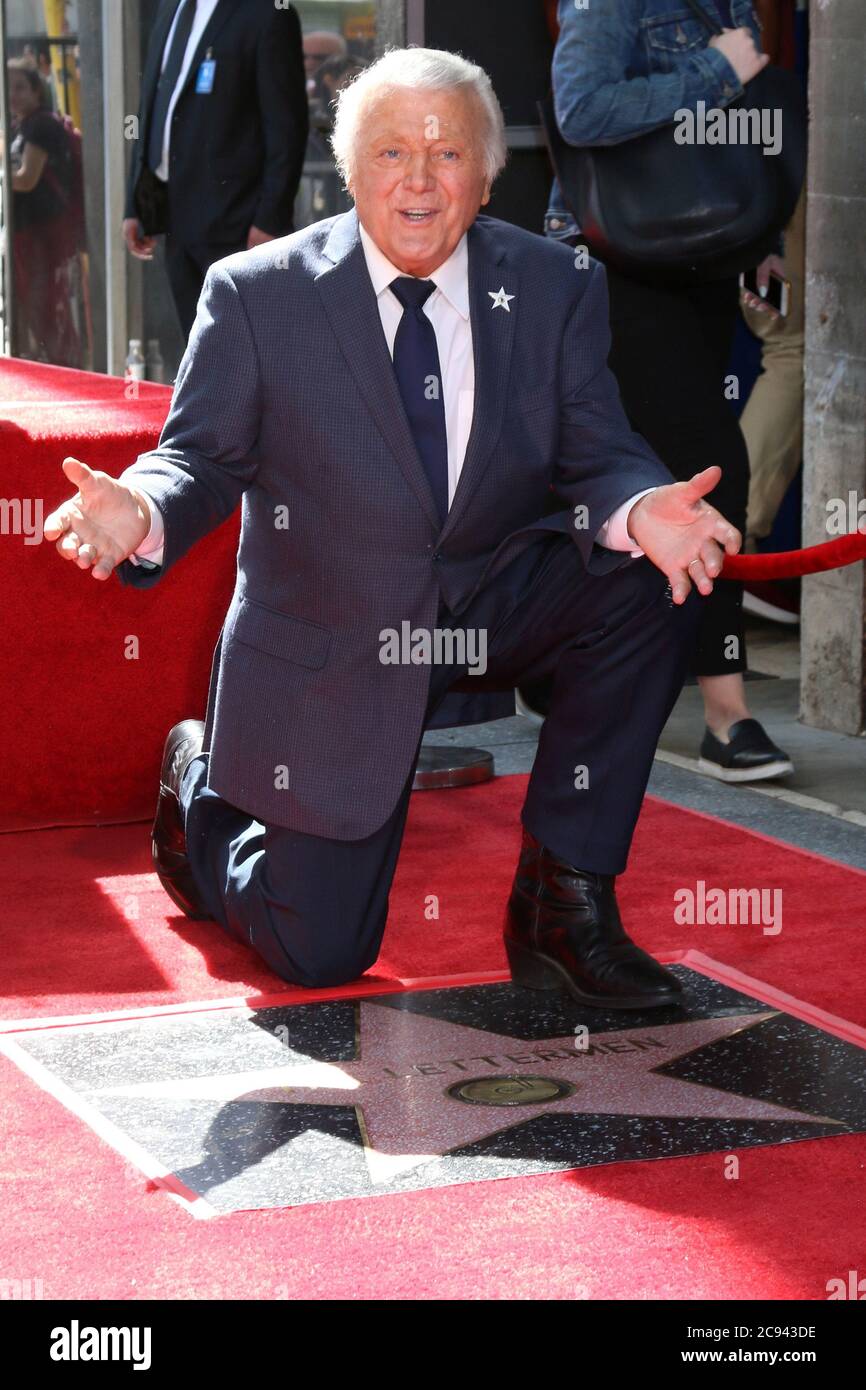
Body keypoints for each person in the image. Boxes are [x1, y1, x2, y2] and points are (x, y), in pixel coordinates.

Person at [44, 48, 742, 1012]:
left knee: (646, 579)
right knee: (320, 949)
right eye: (390, 153)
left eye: (448, 153)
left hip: (490, 601)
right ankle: (201, 795)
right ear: (347, 167)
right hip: (337, 632)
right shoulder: (260, 294)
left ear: (487, 173)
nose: (418, 181)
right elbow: (200, 456)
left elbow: (594, 445)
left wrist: (638, 505)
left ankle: (563, 906)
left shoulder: (551, 285)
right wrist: (143, 505)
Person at [545, 0, 794, 782]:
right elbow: (580, 109)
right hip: (617, 257)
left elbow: (739, 126)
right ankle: (727, 712)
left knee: (663, 469)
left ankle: (581, 670)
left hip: (701, 251)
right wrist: (718, 67)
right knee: (707, 463)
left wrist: (761, 237)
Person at [123, 0, 308, 341]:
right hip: (174, 217)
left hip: (236, 226)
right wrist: (137, 202)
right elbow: (152, 106)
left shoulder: (267, 14)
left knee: (242, 350)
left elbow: (287, 129)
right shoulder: (170, 9)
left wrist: (270, 220)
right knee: (195, 349)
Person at [6, 58, 81, 367]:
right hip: (30, 233)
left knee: (46, 307)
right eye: (7, 87)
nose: (12, 95)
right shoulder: (22, 126)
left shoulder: (41, 124)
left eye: (20, 87)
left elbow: (25, 179)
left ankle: (61, 368)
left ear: (37, 91)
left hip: (43, 234)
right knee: (34, 307)